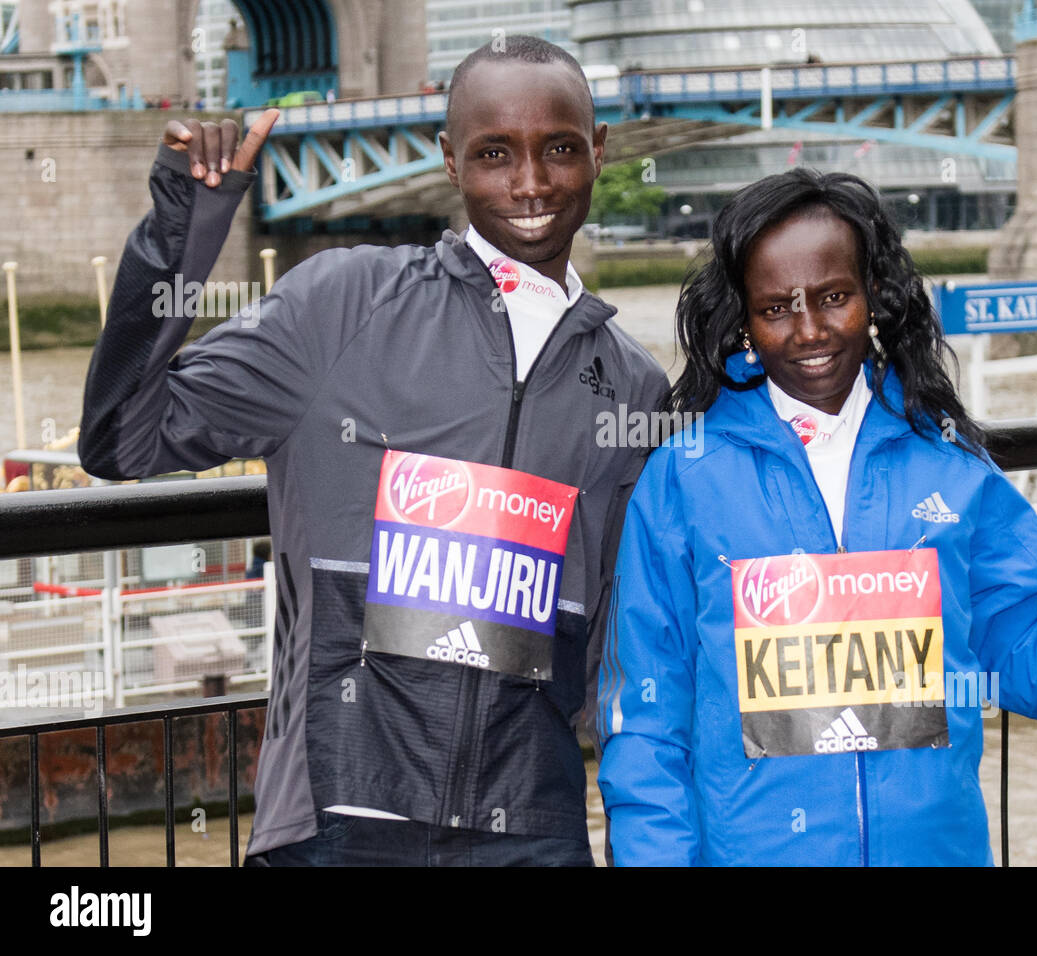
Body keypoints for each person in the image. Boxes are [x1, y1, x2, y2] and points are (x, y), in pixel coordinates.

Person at [79, 35, 667, 866]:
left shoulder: (635, 388)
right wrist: (184, 230)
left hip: (530, 834)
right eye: (495, 153)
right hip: (334, 821)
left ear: (598, 153)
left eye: (559, 149)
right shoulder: (338, 305)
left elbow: (625, 639)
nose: (531, 183)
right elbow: (120, 438)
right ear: (450, 163)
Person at [596, 168, 1037, 866]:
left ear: (876, 297)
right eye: (777, 308)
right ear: (743, 319)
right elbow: (646, 729)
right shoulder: (682, 482)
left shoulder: (952, 467)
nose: (809, 331)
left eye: (835, 297)